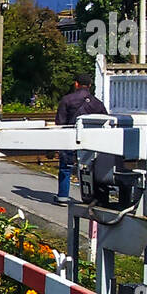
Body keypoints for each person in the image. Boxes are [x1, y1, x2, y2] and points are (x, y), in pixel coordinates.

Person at [54, 73, 107, 203]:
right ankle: (91, 197)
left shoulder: (67, 100)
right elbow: (105, 120)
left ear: (76, 84)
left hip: (69, 138)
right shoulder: (97, 103)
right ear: (89, 86)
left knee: (65, 167)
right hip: (89, 141)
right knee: (89, 168)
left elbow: (60, 122)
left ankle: (62, 196)